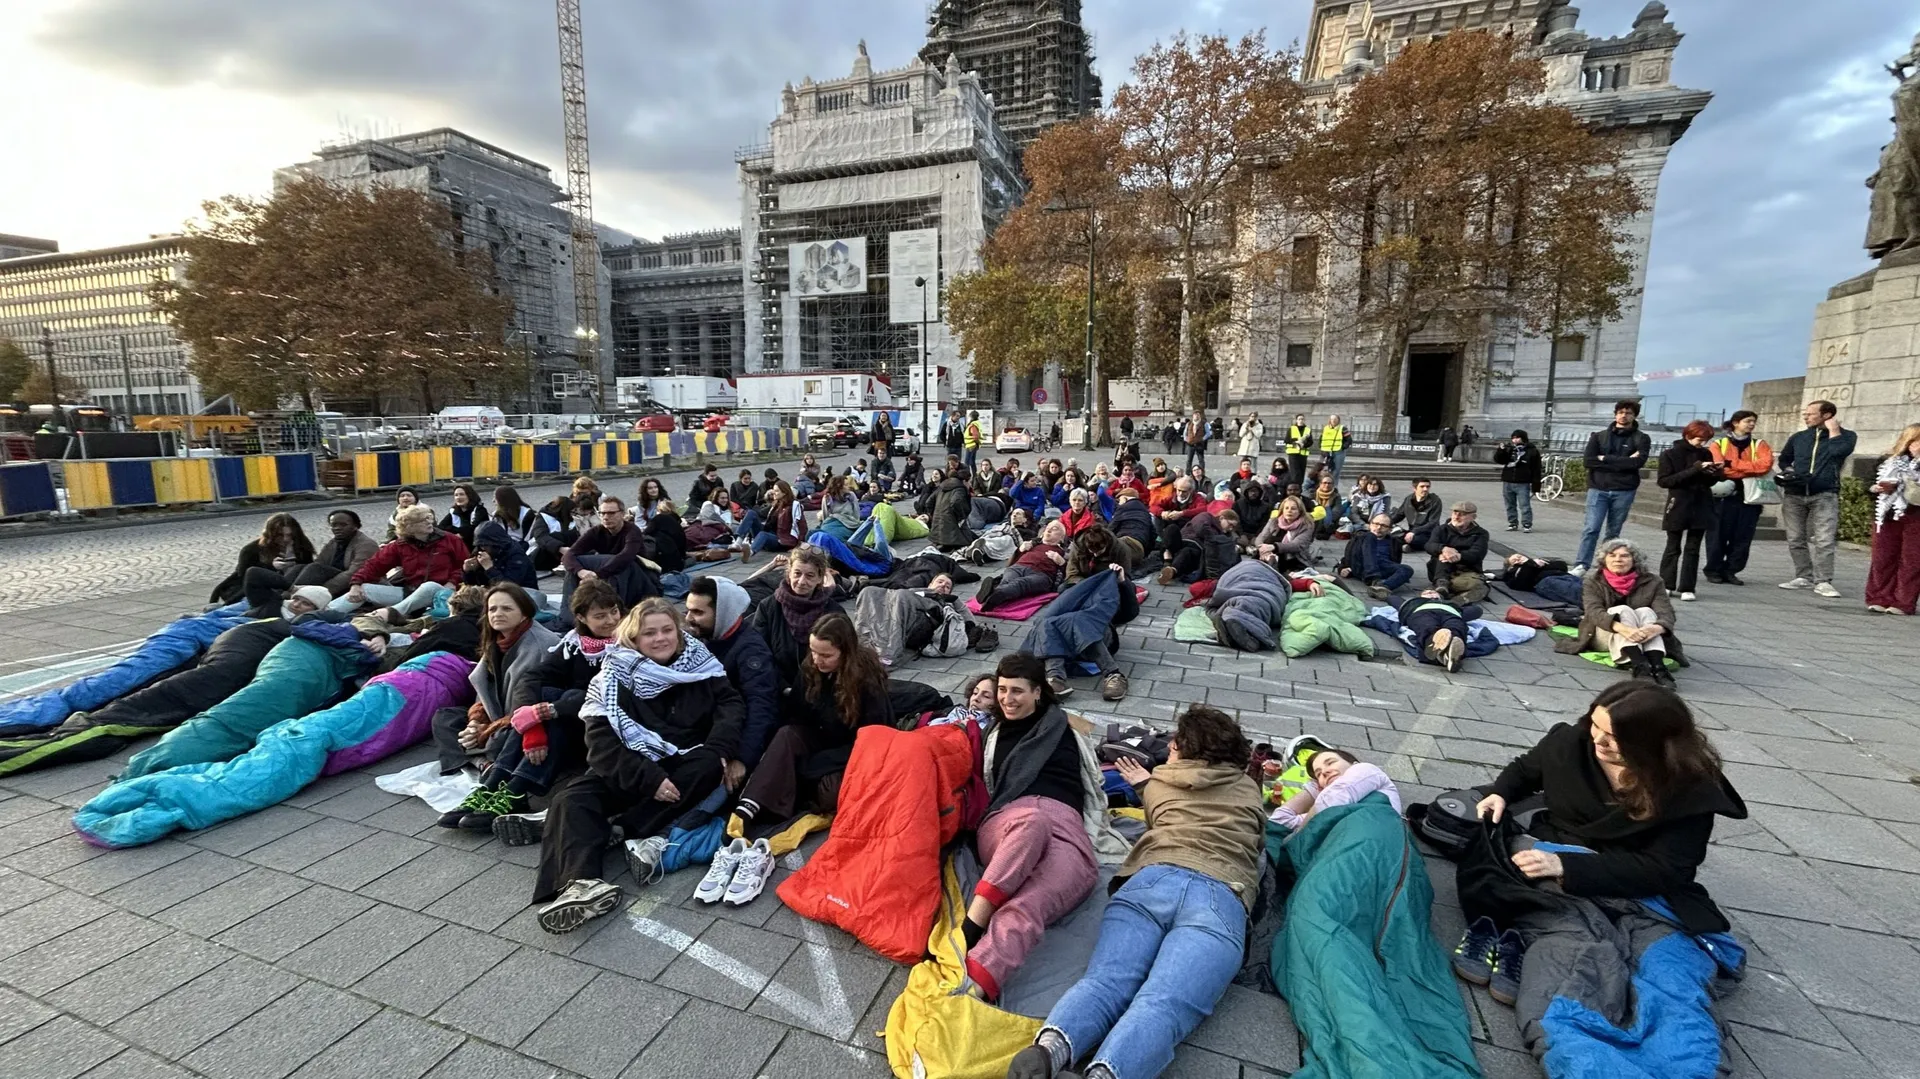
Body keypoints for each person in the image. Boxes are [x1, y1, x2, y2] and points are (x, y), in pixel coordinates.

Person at [1005, 704, 1264, 1079]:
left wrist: (1146, 781)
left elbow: (1159, 803)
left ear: (1185, 750)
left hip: (1151, 879)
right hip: (1220, 892)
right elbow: (1256, 847)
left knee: (1106, 980)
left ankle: (1051, 1049)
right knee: (1164, 1002)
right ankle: (1107, 1074)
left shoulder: (1160, 782)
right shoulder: (1247, 790)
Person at [1454, 682, 1745, 1007]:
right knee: (1552, 917)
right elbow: (1525, 769)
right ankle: (1529, 952)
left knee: (1666, 970)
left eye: (1617, 737)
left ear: (1655, 743)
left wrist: (1569, 866)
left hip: (1633, 877)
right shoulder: (1571, 742)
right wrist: (1501, 792)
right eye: (1596, 724)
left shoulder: (1687, 785)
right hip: (1559, 847)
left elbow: (1669, 868)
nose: (1599, 740)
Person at [533, 600, 743, 933]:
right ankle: (582, 884)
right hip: (631, 766)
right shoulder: (609, 678)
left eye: (667, 630)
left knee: (708, 767)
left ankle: (619, 828)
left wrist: (721, 748)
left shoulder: (700, 663)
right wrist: (649, 777)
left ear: (678, 630)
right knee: (571, 798)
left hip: (684, 760)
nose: (660, 638)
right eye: (649, 633)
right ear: (634, 637)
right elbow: (600, 744)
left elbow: (730, 705)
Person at [484, 579, 626, 846]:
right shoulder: (574, 645)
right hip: (571, 727)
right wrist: (532, 724)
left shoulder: (627, 645)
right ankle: (495, 784)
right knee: (547, 696)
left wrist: (549, 711)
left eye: (614, 612)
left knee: (566, 699)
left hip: (606, 729)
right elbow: (531, 678)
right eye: (600, 615)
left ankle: (515, 789)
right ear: (582, 618)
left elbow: (612, 695)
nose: (610, 620)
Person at [726, 613, 890, 843]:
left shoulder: (867, 680)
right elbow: (795, 715)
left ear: (845, 653)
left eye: (826, 655)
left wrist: (818, 762)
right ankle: (748, 807)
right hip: (817, 736)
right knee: (786, 735)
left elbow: (874, 740)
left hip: (852, 751)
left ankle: (787, 794)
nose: (817, 660)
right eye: (813, 651)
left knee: (830, 794)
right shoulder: (811, 668)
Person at [431, 582, 563, 827]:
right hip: (499, 716)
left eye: (506, 609)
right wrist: (475, 721)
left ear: (524, 613)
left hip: (524, 717)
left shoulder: (539, 645)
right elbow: (484, 691)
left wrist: (485, 731)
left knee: (501, 740)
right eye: (492, 609)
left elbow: (530, 703)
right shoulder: (497, 640)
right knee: (445, 717)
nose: (497, 614)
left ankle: (495, 773)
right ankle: (485, 765)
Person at [684, 576, 780, 792]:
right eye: (688, 610)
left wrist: (743, 759)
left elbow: (761, 706)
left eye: (698, 613)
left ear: (722, 614)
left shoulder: (750, 651)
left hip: (733, 737)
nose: (689, 618)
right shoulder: (704, 637)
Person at [1554, 538, 1680, 687]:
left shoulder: (1654, 581)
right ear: (1604, 560)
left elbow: (1666, 612)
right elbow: (1593, 612)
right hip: (1604, 634)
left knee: (1645, 611)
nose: (1618, 560)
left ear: (1635, 560)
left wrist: (1655, 628)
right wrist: (1623, 629)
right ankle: (1640, 665)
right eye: (1612, 555)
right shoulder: (1593, 581)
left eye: (1624, 556)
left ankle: (1658, 667)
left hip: (1644, 633)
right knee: (1622, 610)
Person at [1776, 399, 1858, 597]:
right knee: (1795, 538)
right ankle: (1803, 576)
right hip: (1795, 493)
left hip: (1825, 493)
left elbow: (1839, 452)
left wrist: (1834, 432)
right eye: (1805, 413)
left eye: (1810, 413)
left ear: (1827, 415)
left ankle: (1823, 581)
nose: (1806, 416)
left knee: (1824, 539)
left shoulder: (1846, 436)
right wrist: (1789, 470)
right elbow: (1784, 459)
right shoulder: (1799, 437)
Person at [331, 504, 469, 617]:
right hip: (410, 592)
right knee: (364, 590)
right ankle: (323, 613)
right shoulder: (400, 545)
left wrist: (452, 582)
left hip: (442, 593)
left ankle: (390, 614)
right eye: (422, 520)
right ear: (409, 527)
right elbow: (374, 565)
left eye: (429, 518)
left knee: (429, 586)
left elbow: (464, 565)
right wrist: (356, 583)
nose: (429, 522)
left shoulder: (450, 540)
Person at [239, 509, 375, 614]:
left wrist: (318, 592)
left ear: (356, 526)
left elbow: (352, 573)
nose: (337, 528)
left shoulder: (365, 544)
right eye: (334, 525)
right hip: (319, 581)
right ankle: (281, 597)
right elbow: (318, 562)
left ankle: (286, 599)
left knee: (314, 568)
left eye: (343, 525)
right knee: (299, 567)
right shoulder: (335, 542)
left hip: (351, 585)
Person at [1574, 400, 1652, 573]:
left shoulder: (1641, 438)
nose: (1624, 416)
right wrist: (1624, 461)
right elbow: (1589, 461)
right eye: (1621, 412)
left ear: (1634, 416)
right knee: (1591, 528)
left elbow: (1637, 463)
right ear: (1615, 414)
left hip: (1624, 490)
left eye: (1629, 413)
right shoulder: (1599, 436)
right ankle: (1581, 564)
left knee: (1613, 531)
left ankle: (1605, 567)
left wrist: (1605, 458)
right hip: (1598, 488)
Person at [751, 545, 844, 687]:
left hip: (822, 689)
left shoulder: (834, 613)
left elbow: (844, 658)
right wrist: (783, 687)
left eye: (810, 575)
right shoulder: (768, 607)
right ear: (789, 573)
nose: (801, 582)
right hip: (777, 688)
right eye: (797, 573)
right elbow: (758, 653)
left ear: (820, 578)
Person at [1655, 421, 1725, 601]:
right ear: (1688, 435)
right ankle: (1667, 583)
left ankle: (1687, 587)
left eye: (1705, 440)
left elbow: (1708, 482)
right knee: (1673, 546)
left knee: (1693, 548)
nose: (1701, 443)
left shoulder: (1705, 453)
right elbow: (1665, 481)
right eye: (1699, 439)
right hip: (1678, 502)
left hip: (1701, 503)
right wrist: (1695, 469)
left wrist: (1715, 473)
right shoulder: (1670, 454)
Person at [1703, 411, 1774, 586]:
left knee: (1743, 537)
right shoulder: (1718, 444)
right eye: (1748, 421)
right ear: (1735, 423)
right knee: (1717, 535)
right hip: (1724, 497)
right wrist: (1749, 468)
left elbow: (1765, 466)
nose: (1751, 424)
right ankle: (1713, 570)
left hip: (1750, 497)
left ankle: (1731, 570)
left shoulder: (1760, 444)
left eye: (1753, 422)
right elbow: (1721, 468)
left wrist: (1734, 465)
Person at [560, 495, 654, 620]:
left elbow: (625, 557)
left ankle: (616, 612)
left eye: (611, 513)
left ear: (622, 514)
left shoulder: (632, 530)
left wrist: (597, 575)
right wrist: (581, 572)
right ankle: (569, 615)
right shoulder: (596, 531)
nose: (605, 517)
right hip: (610, 574)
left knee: (616, 562)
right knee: (577, 564)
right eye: (602, 513)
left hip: (639, 579)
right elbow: (570, 554)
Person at [1269, 746, 1402, 832]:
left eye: (1331, 762)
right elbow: (1279, 822)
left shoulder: (1367, 770)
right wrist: (1314, 787)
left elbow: (1334, 799)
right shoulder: (1322, 806)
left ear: (1354, 764)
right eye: (1318, 773)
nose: (1325, 772)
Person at [1866, 423, 1920, 615]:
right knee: (1883, 556)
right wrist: (1877, 488)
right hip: (1887, 514)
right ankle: (1879, 597)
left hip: (1916, 515)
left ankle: (1903, 602)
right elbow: (1868, 485)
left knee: (1912, 560)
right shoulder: (1888, 461)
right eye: (1915, 440)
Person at [211, 512, 316, 606]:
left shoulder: (301, 546)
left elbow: (308, 568)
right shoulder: (251, 550)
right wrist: (272, 567)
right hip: (251, 590)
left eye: (289, 535)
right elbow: (246, 578)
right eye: (279, 535)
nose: (285, 539)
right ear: (270, 535)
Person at [977, 520, 1070, 610]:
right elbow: (1011, 562)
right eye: (1047, 528)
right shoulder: (1033, 544)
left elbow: (1072, 573)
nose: (1049, 530)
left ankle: (993, 593)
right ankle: (993, 597)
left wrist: (1062, 562)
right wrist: (1020, 550)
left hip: (1041, 575)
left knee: (1020, 583)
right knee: (1007, 580)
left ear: (1061, 538)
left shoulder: (1063, 552)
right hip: (1018, 567)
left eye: (1054, 528)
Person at [1424, 501, 1489, 601]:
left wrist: (1458, 556)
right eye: (1455, 513)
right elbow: (1429, 545)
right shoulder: (1441, 529)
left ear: (1473, 517)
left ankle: (1449, 595)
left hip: (1465, 572)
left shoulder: (1481, 534)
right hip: (1440, 571)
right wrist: (1444, 549)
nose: (1457, 517)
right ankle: (1442, 585)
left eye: (1462, 514)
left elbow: (1477, 554)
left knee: (1476, 584)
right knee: (1443, 556)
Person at [1337, 514, 1412, 599]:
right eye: (1376, 524)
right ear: (1370, 525)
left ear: (1390, 530)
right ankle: (1373, 579)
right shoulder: (1361, 537)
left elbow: (1395, 561)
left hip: (1383, 566)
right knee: (1370, 536)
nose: (1379, 527)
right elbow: (1349, 554)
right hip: (1363, 566)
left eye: (1383, 526)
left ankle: (1381, 587)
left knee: (1407, 569)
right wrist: (1342, 567)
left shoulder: (1394, 542)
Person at [1399, 591, 1477, 671]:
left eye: (1433, 592)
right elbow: (1395, 600)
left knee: (1456, 626)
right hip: (1423, 612)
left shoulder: (1450, 604)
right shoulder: (1414, 603)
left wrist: (1460, 611)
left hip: (1450, 614)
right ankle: (1440, 648)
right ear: (1420, 597)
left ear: (1439, 596)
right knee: (1427, 626)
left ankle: (1449, 650)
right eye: (1426, 593)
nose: (1430, 594)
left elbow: (1476, 610)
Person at [1161, 510, 1240, 586]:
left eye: (1233, 527)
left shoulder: (1226, 536)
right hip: (1182, 541)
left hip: (1197, 550)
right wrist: (1215, 538)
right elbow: (1201, 527)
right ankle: (1167, 554)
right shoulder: (1207, 516)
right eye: (1230, 524)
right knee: (1171, 528)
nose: (1231, 529)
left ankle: (1171, 568)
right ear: (1222, 518)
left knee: (1187, 552)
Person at [491, 486, 552, 568]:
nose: (493, 501)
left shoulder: (526, 514)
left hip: (524, 547)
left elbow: (529, 539)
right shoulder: (496, 515)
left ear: (503, 500)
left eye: (495, 498)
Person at [1493, 430, 1541, 533]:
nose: (1515, 440)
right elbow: (1500, 460)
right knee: (1510, 504)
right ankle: (1512, 522)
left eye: (1517, 437)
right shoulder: (1510, 449)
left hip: (1523, 482)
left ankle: (1527, 524)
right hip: (1508, 480)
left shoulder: (1532, 451)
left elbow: (1536, 469)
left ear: (1523, 438)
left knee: (1524, 505)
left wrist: (1536, 485)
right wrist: (1501, 450)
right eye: (1513, 438)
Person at [744, 480, 804, 561]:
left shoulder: (793, 506)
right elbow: (764, 517)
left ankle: (750, 552)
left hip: (781, 541)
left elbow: (802, 526)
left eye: (776, 491)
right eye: (773, 490)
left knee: (763, 534)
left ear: (784, 492)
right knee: (751, 513)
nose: (773, 493)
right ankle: (738, 541)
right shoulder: (776, 504)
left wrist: (798, 546)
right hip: (771, 534)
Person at [1253, 496, 1315, 571]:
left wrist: (1274, 547)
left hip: (1294, 561)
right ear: (1282, 510)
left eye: (1293, 508)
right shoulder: (1274, 521)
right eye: (1286, 508)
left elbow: (1297, 545)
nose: (1289, 511)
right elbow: (1260, 538)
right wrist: (1264, 550)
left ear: (1300, 511)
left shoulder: (1307, 525)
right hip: (1269, 556)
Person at [1391, 478, 1443, 551]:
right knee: (1391, 534)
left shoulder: (1435, 501)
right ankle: (1405, 545)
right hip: (1411, 531)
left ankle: (1408, 546)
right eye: (1422, 486)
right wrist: (1385, 523)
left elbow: (1433, 523)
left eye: (1427, 487)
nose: (1425, 489)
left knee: (1415, 540)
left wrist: (1414, 531)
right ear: (1414, 488)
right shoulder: (1409, 499)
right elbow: (1399, 515)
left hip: (1428, 533)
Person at [439, 483, 490, 550]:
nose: (458, 497)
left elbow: (472, 530)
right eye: (456, 495)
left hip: (477, 547)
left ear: (470, 496)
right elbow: (441, 527)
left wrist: (456, 532)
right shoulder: (454, 511)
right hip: (458, 546)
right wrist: (458, 532)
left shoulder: (479, 510)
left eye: (462, 494)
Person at [1318, 414, 1350, 485]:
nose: (1333, 421)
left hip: (1338, 452)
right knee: (1323, 469)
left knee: (1336, 471)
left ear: (1338, 420)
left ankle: (1334, 487)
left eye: (1335, 419)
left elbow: (1349, 440)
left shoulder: (1343, 428)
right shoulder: (1325, 428)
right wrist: (1321, 446)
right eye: (1332, 419)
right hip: (1325, 452)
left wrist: (1343, 447)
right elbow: (1321, 438)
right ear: (1329, 420)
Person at [1183, 409, 1208, 474]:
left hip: (1199, 444)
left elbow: (1209, 433)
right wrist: (1186, 439)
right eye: (1195, 415)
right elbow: (1185, 433)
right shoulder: (1188, 424)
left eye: (1198, 415)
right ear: (1193, 416)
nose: (1196, 416)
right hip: (1190, 444)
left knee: (1201, 460)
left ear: (1200, 416)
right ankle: (1188, 473)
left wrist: (1203, 438)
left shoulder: (1204, 423)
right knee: (1189, 460)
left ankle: (1202, 473)